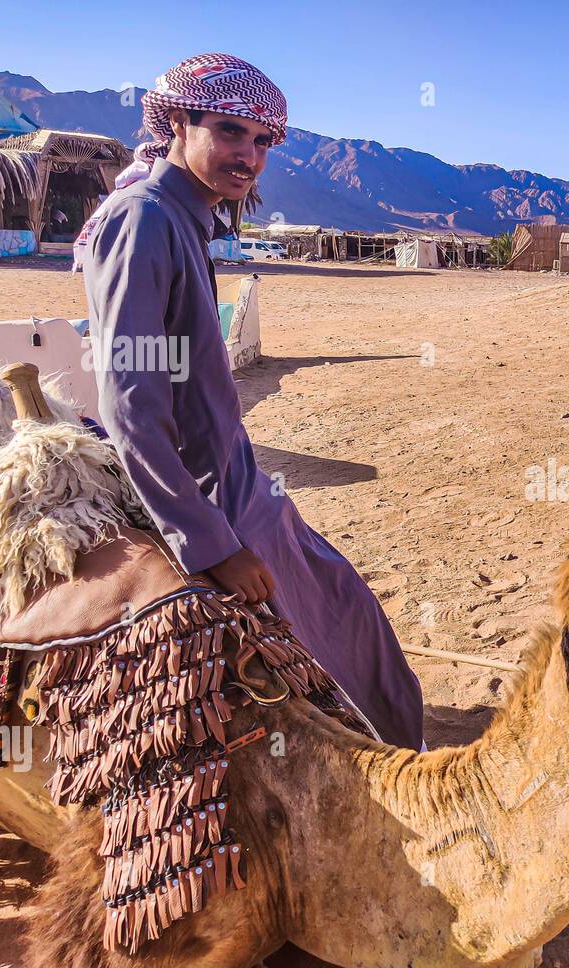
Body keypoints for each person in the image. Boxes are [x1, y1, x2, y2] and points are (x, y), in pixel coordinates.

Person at [80, 53, 424, 749]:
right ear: (179, 122)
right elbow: (131, 407)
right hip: (211, 501)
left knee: (349, 610)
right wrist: (212, 544)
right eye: (231, 132)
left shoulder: (185, 218)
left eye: (263, 141)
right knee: (330, 634)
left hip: (241, 483)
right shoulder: (144, 219)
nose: (250, 155)